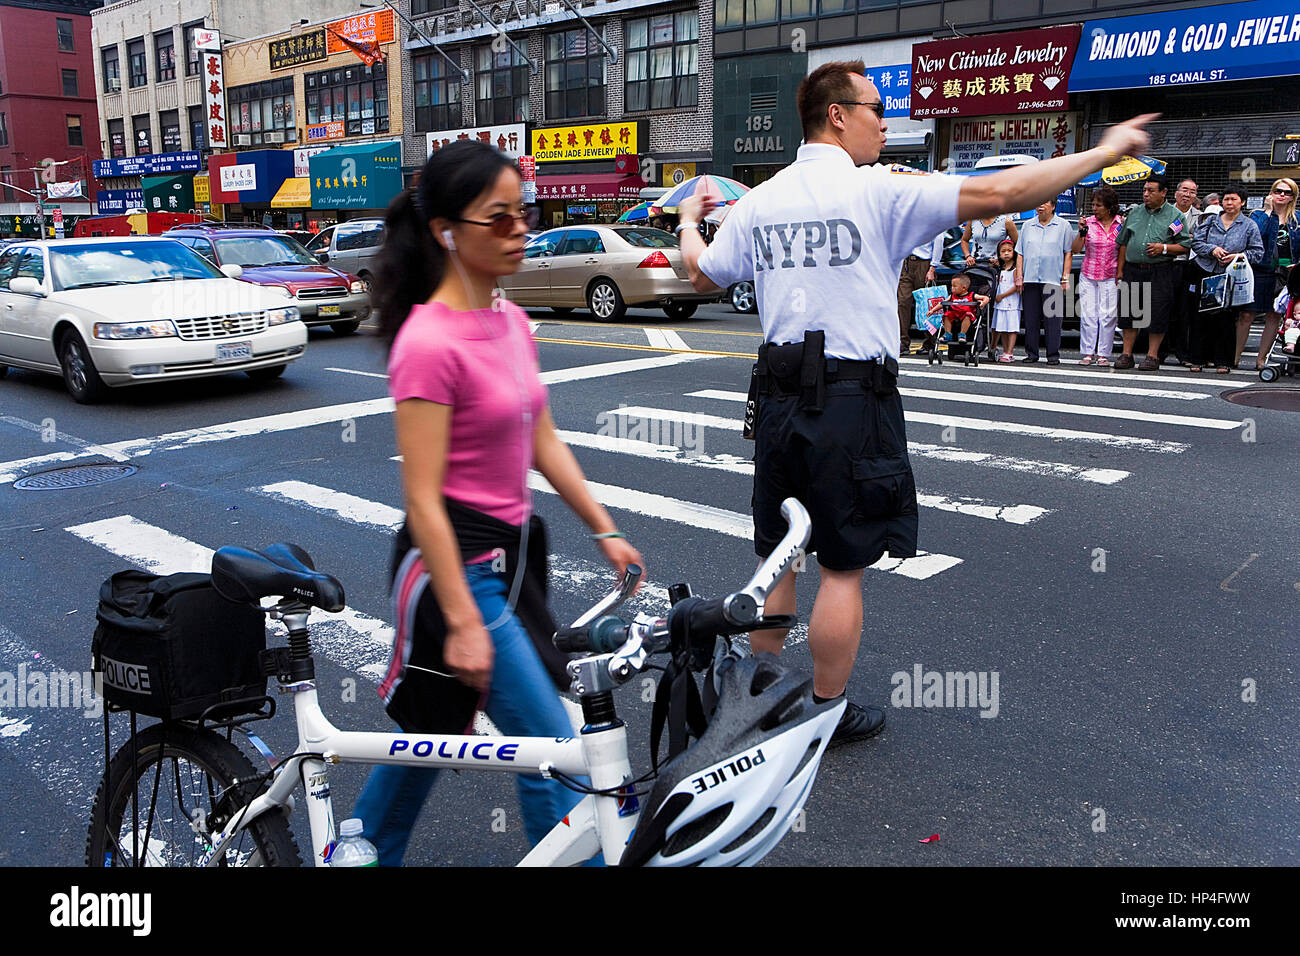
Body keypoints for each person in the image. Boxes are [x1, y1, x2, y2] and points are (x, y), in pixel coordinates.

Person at [671, 57, 1156, 746]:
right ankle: (825, 711)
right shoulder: (878, 191)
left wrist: (692, 217)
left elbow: (699, 272)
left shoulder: (762, 201)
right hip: (850, 400)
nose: (884, 123)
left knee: (781, 552)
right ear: (837, 115)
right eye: (874, 109)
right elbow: (1005, 193)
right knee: (841, 565)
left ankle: (759, 693)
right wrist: (1105, 150)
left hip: (778, 401)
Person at [353, 140, 644, 865]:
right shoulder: (427, 342)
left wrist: (604, 529)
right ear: (448, 232)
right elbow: (421, 499)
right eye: (500, 219)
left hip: (513, 564)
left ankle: (359, 852)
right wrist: (460, 619)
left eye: (525, 214)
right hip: (454, 567)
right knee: (554, 749)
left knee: (428, 737)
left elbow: (541, 438)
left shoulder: (510, 321)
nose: (521, 232)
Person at [1187, 186, 1265, 373]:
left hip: (1231, 275)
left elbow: (1257, 252)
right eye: (1226, 199)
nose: (1229, 203)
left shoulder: (1249, 225)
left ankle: (1223, 361)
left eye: (1234, 199)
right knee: (1200, 317)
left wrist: (1238, 256)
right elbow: (1197, 242)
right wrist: (1212, 250)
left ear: (1242, 203)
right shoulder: (1211, 221)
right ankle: (1197, 359)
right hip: (1206, 271)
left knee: (1226, 319)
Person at [1114, 176, 1186, 371]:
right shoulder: (1135, 213)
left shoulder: (1175, 216)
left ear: (1163, 193)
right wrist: (1120, 270)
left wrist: (1163, 248)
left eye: (1151, 191)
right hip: (1133, 269)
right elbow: (1123, 242)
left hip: (1161, 270)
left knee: (1157, 313)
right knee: (1129, 312)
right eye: (1145, 190)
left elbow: (1185, 245)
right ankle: (1126, 354)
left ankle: (1152, 355)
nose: (1146, 194)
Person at [1245, 178, 1300, 370]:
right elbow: (1255, 235)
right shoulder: (1258, 215)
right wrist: (1268, 211)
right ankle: (1233, 359)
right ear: (1271, 192)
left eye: (1287, 192)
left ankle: (1261, 360)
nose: (1282, 195)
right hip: (1261, 268)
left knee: (1274, 315)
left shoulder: (1297, 219)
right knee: (1247, 313)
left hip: (1286, 272)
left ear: (1293, 196)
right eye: (1278, 191)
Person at [1014, 197, 1073, 364]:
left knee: (1052, 320)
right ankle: (1032, 353)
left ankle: (1053, 355)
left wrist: (1065, 277)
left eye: (1044, 202)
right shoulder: (1027, 226)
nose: (1040, 206)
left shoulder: (1063, 226)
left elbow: (1068, 253)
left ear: (1053, 206)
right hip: (1030, 278)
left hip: (1053, 279)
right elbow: (1020, 253)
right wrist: (1019, 276)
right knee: (1031, 318)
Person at [1072, 185, 1123, 366]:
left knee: (1108, 315)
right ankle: (1087, 352)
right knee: (1088, 314)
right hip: (1089, 272)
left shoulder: (1120, 224)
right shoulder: (1088, 223)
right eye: (1093, 204)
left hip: (1111, 273)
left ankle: (1103, 354)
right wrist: (1081, 232)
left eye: (1098, 205)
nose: (1094, 208)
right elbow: (1076, 249)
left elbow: (1123, 248)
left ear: (1109, 206)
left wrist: (1120, 272)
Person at [1157, 179, 1201, 367]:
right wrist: (1184, 241)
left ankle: (1184, 354)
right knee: (1162, 310)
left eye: (1192, 192)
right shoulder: (1163, 212)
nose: (1187, 194)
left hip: (1188, 267)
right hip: (1164, 265)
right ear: (1175, 193)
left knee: (1185, 312)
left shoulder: (1201, 216)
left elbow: (1199, 241)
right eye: (1184, 190)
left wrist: (1184, 242)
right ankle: (1158, 352)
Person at [896, 231, 945, 355]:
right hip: (906, 262)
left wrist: (933, 267)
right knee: (902, 302)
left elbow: (939, 241)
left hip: (924, 262)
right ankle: (903, 341)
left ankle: (930, 341)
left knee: (926, 303)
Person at [937, 272, 989, 344]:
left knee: (967, 315)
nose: (952, 288)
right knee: (947, 314)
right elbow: (942, 303)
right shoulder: (952, 296)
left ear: (964, 288)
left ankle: (962, 334)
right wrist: (932, 310)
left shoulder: (972, 295)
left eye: (954, 286)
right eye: (951, 286)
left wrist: (983, 303)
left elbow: (985, 297)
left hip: (967, 315)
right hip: (955, 314)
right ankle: (947, 334)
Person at [991, 238, 1021, 362]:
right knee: (1002, 327)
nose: (1006, 253)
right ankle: (1004, 350)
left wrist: (1002, 295)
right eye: (1003, 251)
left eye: (1009, 250)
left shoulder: (1015, 270)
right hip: (1000, 303)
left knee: (1012, 327)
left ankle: (1010, 352)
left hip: (1011, 302)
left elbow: (1016, 287)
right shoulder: (1000, 269)